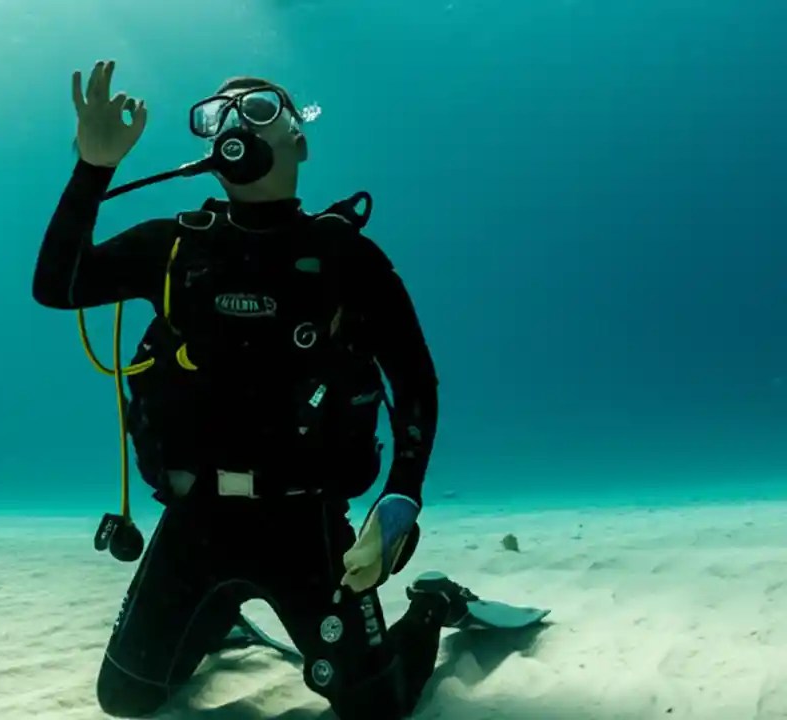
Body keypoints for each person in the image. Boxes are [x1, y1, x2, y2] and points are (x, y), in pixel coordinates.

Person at [32, 60, 545, 719]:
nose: (236, 124)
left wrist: (400, 501)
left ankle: (433, 606)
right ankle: (216, 616)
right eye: (218, 116)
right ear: (209, 147)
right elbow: (57, 287)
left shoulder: (348, 261)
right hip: (196, 519)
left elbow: (415, 381)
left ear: (299, 140)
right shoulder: (174, 248)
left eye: (260, 110)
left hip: (306, 523)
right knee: (125, 698)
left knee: (375, 713)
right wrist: (93, 167)